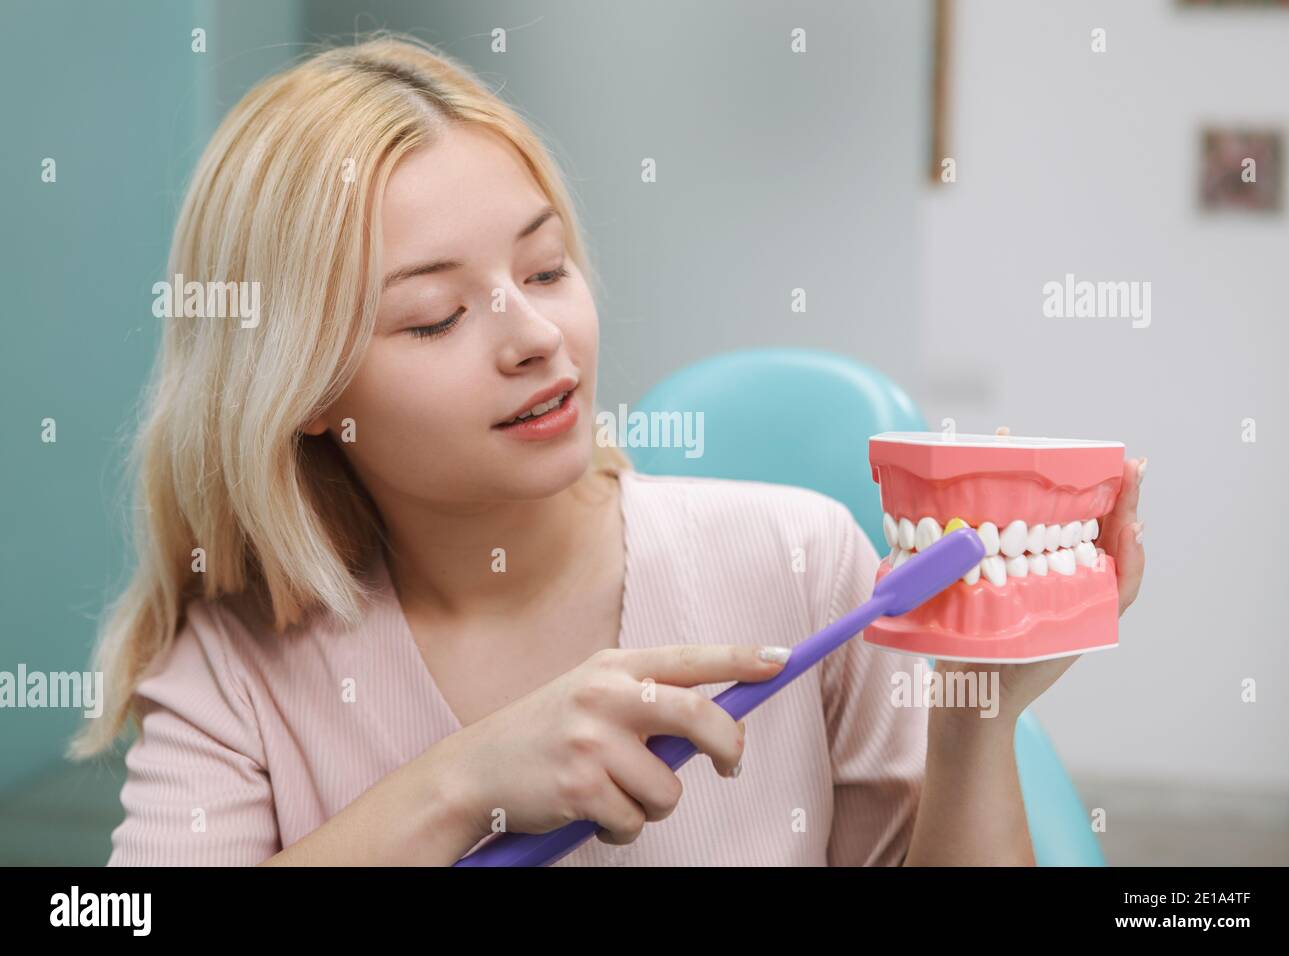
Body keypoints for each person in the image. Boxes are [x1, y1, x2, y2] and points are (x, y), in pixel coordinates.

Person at [73, 35, 1146, 866]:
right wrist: (459, 785)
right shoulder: (232, 663)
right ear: (299, 388)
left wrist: (976, 719)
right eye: (437, 316)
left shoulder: (801, 560)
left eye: (544, 271)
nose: (536, 336)